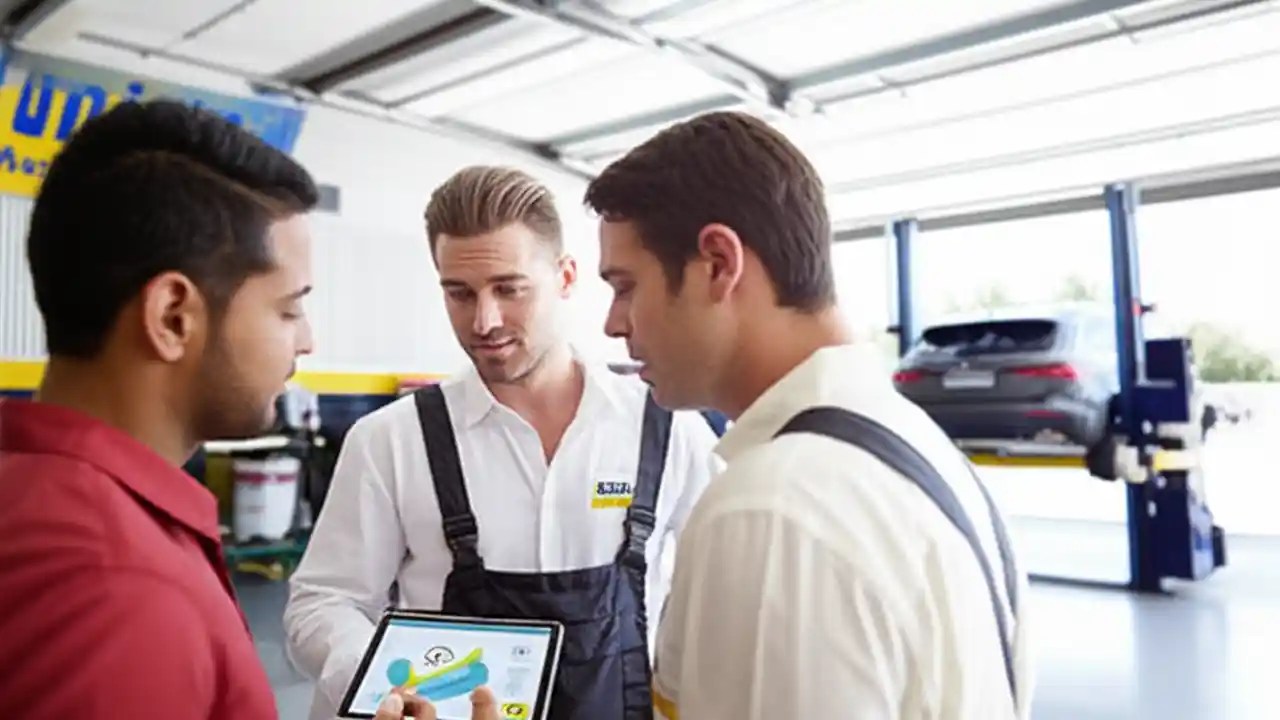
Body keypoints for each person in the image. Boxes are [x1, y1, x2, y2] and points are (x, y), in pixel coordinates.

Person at [0, 100, 443, 720]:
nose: (307, 339)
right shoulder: (116, 590)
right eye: (288, 309)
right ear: (174, 317)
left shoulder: (40, 500)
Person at [584, 111, 1034, 720]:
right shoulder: (917, 450)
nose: (614, 323)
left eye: (625, 285)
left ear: (718, 263)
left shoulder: (773, 509)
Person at [284, 166, 718, 720]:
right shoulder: (391, 441)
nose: (484, 321)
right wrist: (384, 685)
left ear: (564, 277)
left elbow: (723, 599)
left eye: (509, 289)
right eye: (459, 293)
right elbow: (323, 602)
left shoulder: (667, 429)